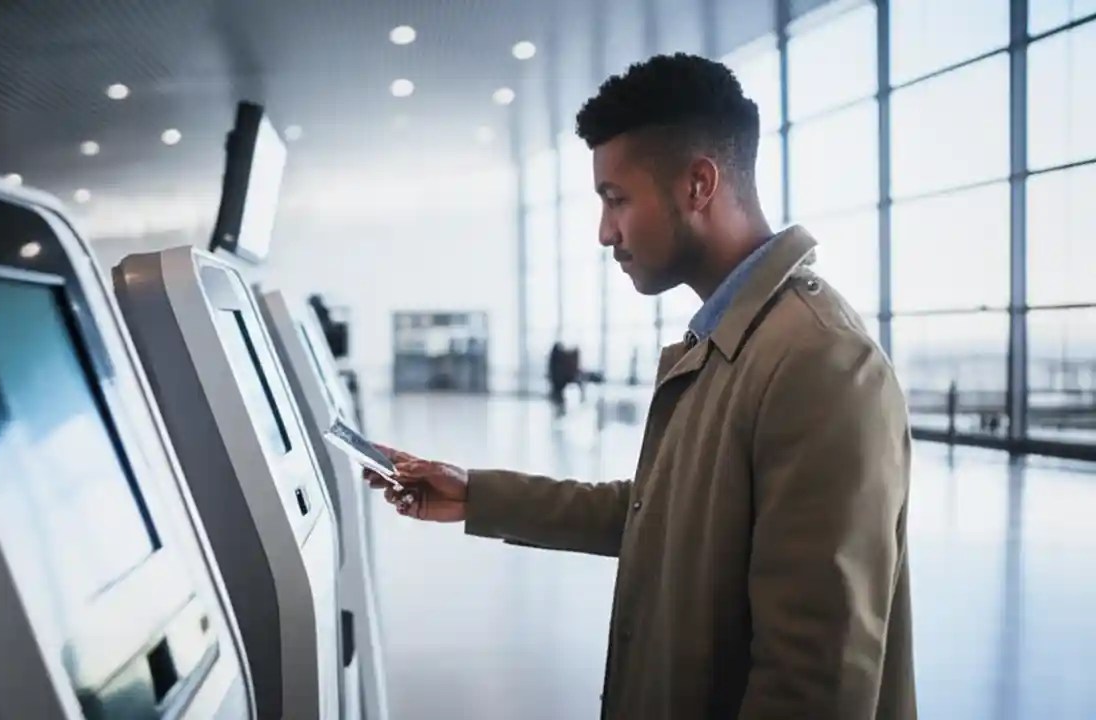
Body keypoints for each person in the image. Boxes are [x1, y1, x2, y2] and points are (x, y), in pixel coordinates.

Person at [365, 53, 914, 719]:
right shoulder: (730, 343)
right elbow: (657, 513)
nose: (604, 232)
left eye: (616, 199)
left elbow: (813, 683)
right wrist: (476, 495)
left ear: (698, 185)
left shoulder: (821, 363)